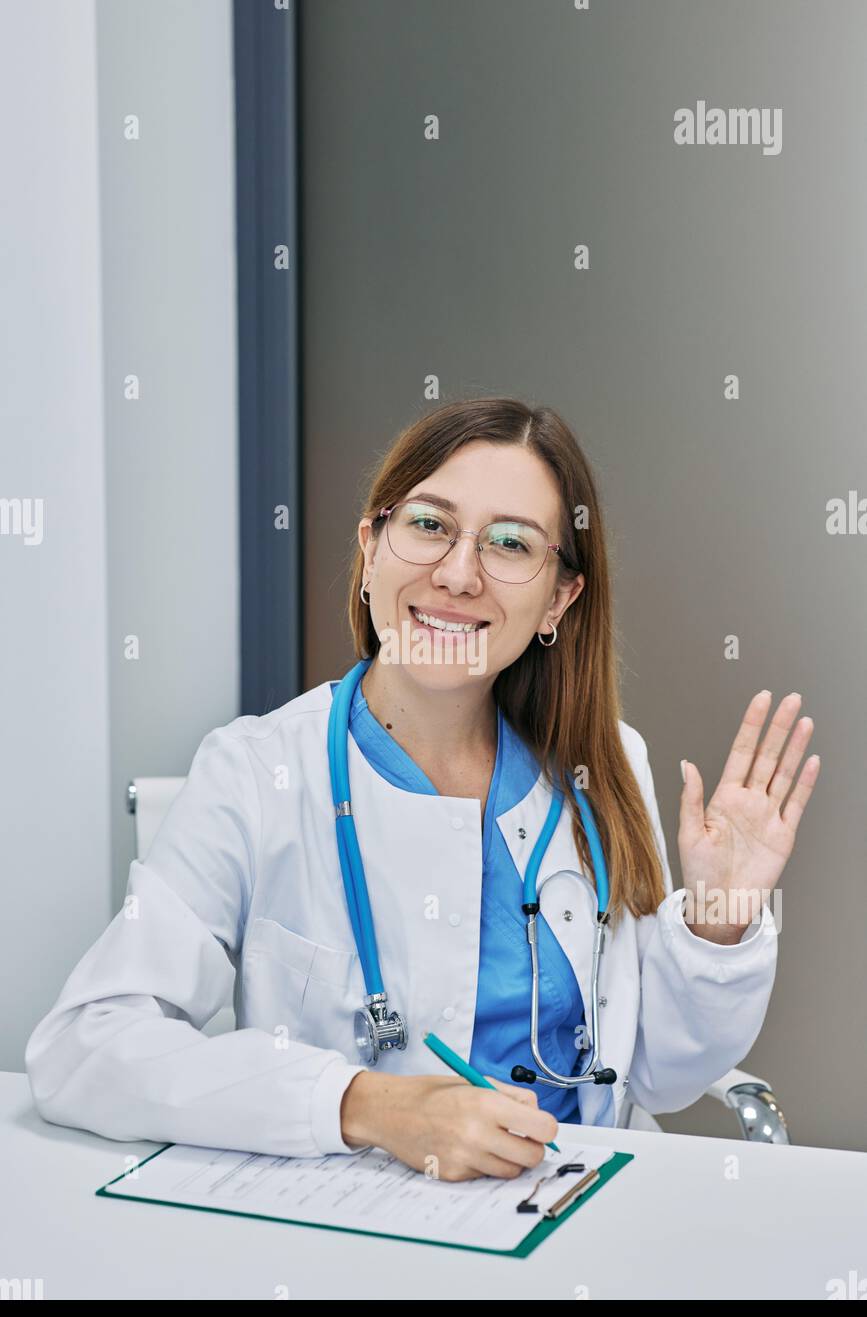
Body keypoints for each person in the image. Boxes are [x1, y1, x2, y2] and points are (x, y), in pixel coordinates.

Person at [25, 397, 819, 1182]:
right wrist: (365, 1105)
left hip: (564, 1215)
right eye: (429, 525)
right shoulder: (255, 771)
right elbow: (84, 1045)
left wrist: (720, 921)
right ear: (371, 548)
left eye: (510, 543)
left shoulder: (602, 766)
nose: (458, 573)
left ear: (558, 598)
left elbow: (658, 1076)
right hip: (347, 1231)